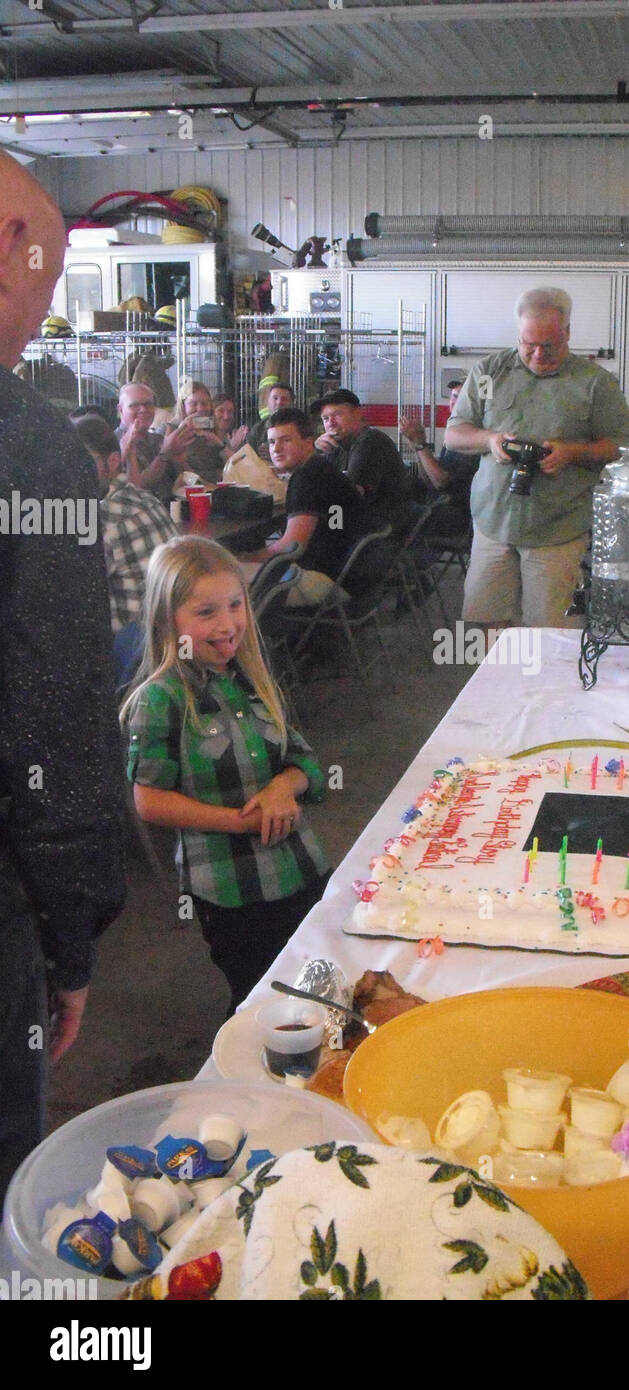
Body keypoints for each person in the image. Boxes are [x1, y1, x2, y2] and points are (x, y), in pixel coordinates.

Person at [0, 151, 125, 1202]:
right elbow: (53, 713)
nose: (44, 314)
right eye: (48, 280)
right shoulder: (29, 445)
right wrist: (70, 933)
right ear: (11, 244)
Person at [121, 536, 332, 1011]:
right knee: (263, 1001)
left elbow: (305, 758)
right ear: (167, 620)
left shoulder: (252, 676)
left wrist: (284, 784)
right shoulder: (161, 699)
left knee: (321, 983)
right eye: (206, 613)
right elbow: (149, 800)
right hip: (233, 893)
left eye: (235, 605)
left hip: (301, 869)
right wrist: (240, 821)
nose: (227, 624)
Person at [444, 286, 629, 628]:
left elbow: (620, 447)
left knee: (550, 637)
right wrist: (491, 440)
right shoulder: (489, 373)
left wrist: (572, 453)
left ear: (568, 334)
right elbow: (454, 434)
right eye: (528, 344)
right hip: (493, 523)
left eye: (549, 346)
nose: (537, 355)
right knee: (484, 625)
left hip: (557, 530)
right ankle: (496, 682)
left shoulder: (595, 384)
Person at [71, 412, 180, 687]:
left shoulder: (103, 517)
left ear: (112, 461)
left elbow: (66, 594)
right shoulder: (143, 497)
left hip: (137, 662)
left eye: (83, 461)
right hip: (175, 647)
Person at [240, 406, 363, 607]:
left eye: (286, 440)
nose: (276, 449)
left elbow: (292, 547)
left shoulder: (306, 479)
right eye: (272, 441)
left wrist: (245, 557)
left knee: (222, 577)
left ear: (308, 443)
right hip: (350, 573)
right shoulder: (322, 468)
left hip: (326, 579)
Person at [314, 389, 414, 538]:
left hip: (381, 533)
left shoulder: (369, 441)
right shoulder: (339, 443)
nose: (331, 423)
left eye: (337, 415)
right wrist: (315, 452)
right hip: (365, 522)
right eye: (325, 418)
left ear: (358, 413)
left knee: (308, 530)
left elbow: (348, 496)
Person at [399, 378, 480, 538]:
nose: (454, 402)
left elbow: (441, 482)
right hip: (438, 507)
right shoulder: (455, 430)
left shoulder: (471, 436)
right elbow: (430, 481)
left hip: (455, 517)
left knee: (393, 520)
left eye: (461, 397)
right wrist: (417, 447)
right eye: (454, 396)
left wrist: (421, 446)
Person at [116, 382, 188, 503]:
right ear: (120, 409)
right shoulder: (114, 444)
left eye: (148, 404)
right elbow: (135, 489)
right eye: (134, 405)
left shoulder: (159, 440)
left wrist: (181, 462)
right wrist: (164, 454)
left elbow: (183, 482)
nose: (143, 410)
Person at [164, 379, 231, 485]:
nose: (200, 409)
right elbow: (176, 473)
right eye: (193, 404)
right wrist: (182, 429)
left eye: (204, 404)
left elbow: (234, 465)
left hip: (218, 488)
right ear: (183, 406)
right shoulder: (170, 429)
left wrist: (219, 443)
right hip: (188, 489)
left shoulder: (215, 428)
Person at [246, 383, 295, 461]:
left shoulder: (299, 426)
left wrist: (274, 454)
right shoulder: (258, 429)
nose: (279, 402)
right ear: (268, 402)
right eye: (275, 398)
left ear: (291, 403)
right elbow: (247, 457)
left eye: (284, 399)